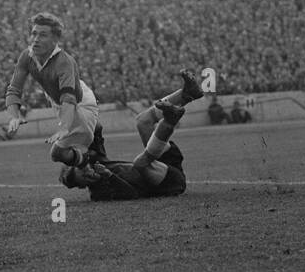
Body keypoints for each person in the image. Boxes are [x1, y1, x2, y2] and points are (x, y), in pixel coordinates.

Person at [60, 75, 205, 199]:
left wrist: (81, 120)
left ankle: (187, 94)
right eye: (86, 178)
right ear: (83, 186)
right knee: (140, 163)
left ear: (83, 163)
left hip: (166, 166)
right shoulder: (99, 192)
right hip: (169, 184)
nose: (89, 174)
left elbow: (96, 128)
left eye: (84, 170)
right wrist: (109, 175)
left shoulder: (97, 161)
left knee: (143, 121)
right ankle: (169, 121)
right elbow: (132, 194)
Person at [2, 12, 102, 171]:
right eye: (34, 33)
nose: (35, 39)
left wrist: (64, 127)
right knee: (69, 151)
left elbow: (69, 98)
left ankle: (87, 162)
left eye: (43, 35)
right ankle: (92, 151)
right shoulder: (26, 56)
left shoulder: (64, 61)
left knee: (56, 154)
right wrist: (14, 116)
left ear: (55, 40)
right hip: (59, 100)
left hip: (80, 102)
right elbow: (13, 89)